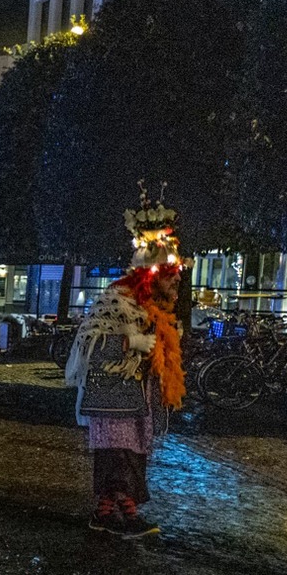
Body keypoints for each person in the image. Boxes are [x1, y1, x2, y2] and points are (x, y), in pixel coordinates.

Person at [65, 198, 184, 537]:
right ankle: (125, 514)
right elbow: (87, 345)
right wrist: (129, 342)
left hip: (138, 397)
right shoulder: (117, 298)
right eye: (171, 275)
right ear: (152, 275)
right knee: (118, 455)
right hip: (112, 395)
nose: (176, 282)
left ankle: (104, 513)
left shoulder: (156, 307)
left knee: (130, 453)